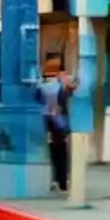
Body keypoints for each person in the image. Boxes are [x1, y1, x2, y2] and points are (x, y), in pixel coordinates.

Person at [37, 58, 76, 192]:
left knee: (53, 153)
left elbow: (39, 102)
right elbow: (66, 99)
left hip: (49, 122)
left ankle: (55, 179)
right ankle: (62, 180)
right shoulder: (60, 86)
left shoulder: (42, 86)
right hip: (59, 123)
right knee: (62, 153)